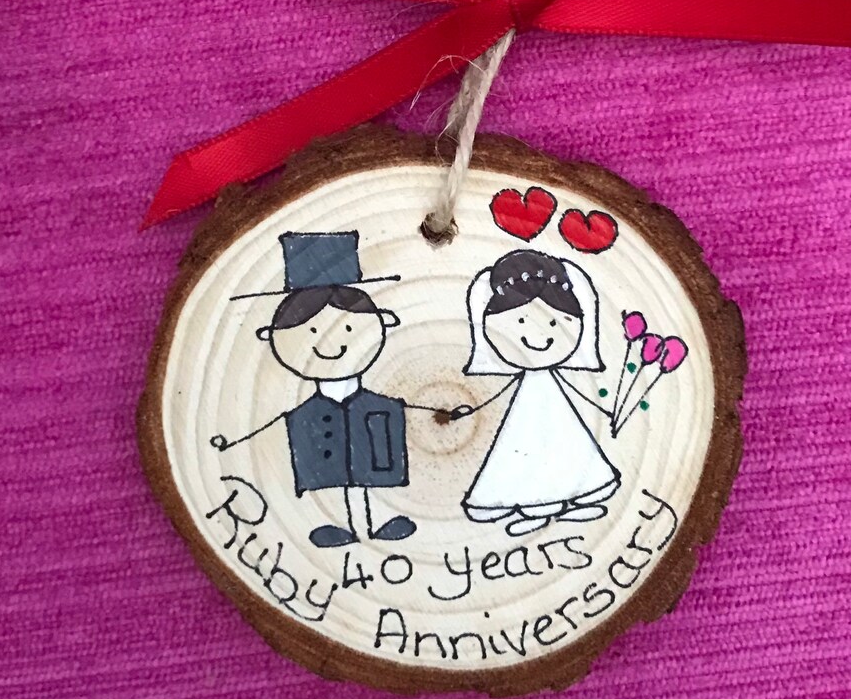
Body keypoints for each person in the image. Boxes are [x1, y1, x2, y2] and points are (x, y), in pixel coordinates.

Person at [211, 231, 422, 549]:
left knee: (369, 472)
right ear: (274, 336)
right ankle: (338, 524)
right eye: (310, 330)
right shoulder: (302, 416)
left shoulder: (383, 408)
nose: (330, 341)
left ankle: (377, 521)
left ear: (382, 322)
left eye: (349, 327)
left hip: (369, 424)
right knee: (331, 478)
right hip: (320, 435)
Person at [450, 248, 620, 537]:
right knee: (527, 447)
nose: (538, 335)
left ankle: (569, 498)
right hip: (527, 409)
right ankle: (536, 506)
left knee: (565, 447)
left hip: (554, 407)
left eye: (555, 322)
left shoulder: (555, 378)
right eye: (519, 322)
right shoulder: (521, 382)